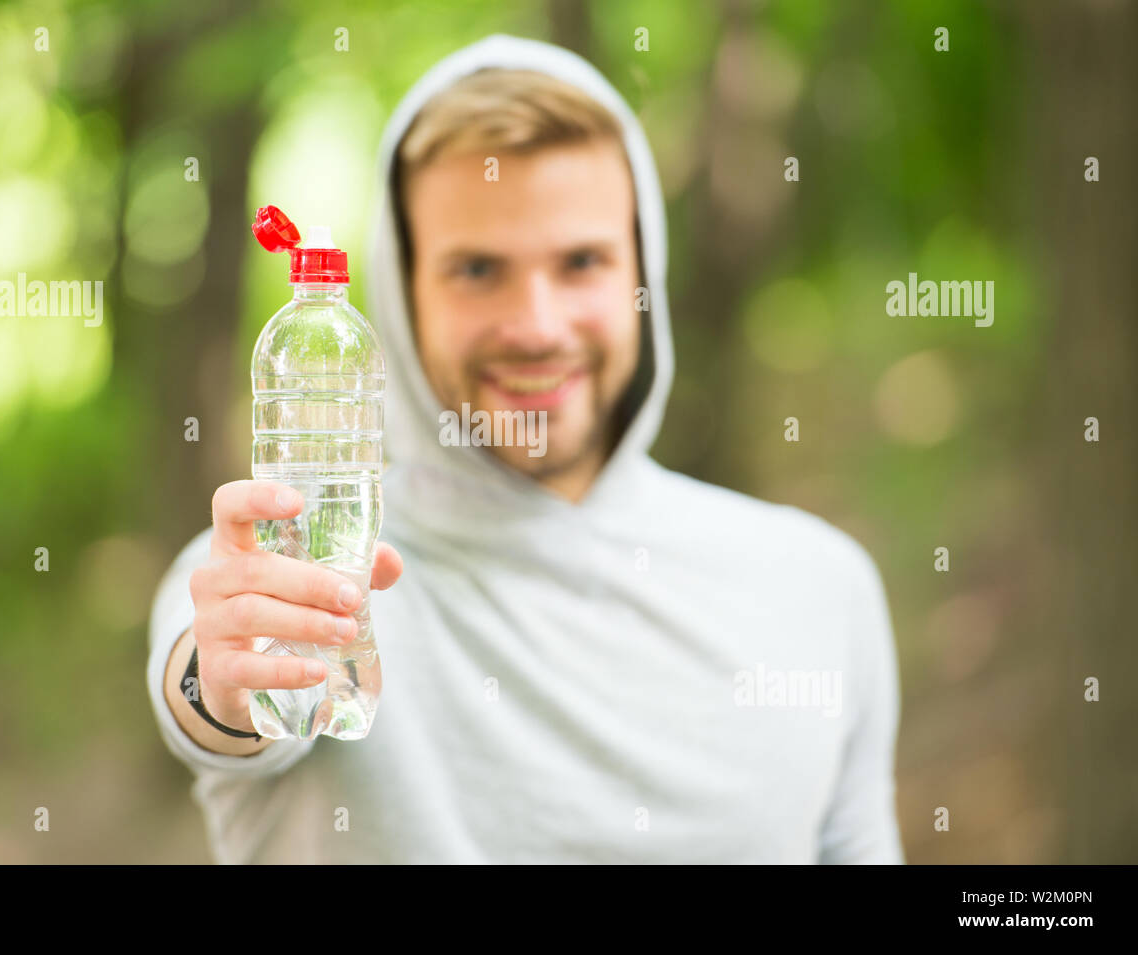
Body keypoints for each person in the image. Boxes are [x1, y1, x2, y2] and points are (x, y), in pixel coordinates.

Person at [145, 33, 905, 864]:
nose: (538, 327)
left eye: (582, 261)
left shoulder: (819, 588)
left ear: (640, 274)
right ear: (402, 297)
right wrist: (215, 681)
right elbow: (221, 698)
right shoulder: (280, 576)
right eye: (477, 269)